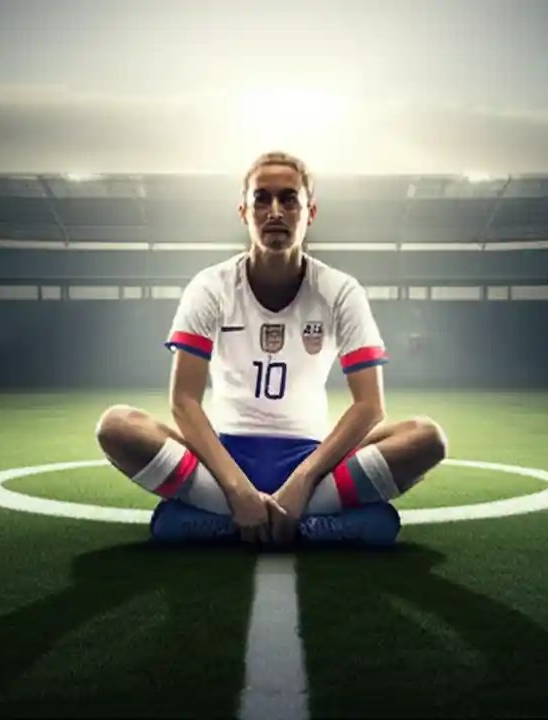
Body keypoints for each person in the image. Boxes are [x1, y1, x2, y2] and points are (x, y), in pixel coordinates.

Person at [95, 151, 447, 546]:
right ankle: (302, 523)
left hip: (313, 457)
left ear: (309, 212)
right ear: (243, 210)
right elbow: (184, 402)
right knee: (117, 426)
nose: (274, 210)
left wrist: (303, 480)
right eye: (261, 198)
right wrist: (236, 488)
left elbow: (370, 406)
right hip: (223, 455)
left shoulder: (340, 290)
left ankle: (226, 521)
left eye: (288, 199)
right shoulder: (211, 286)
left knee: (426, 437)